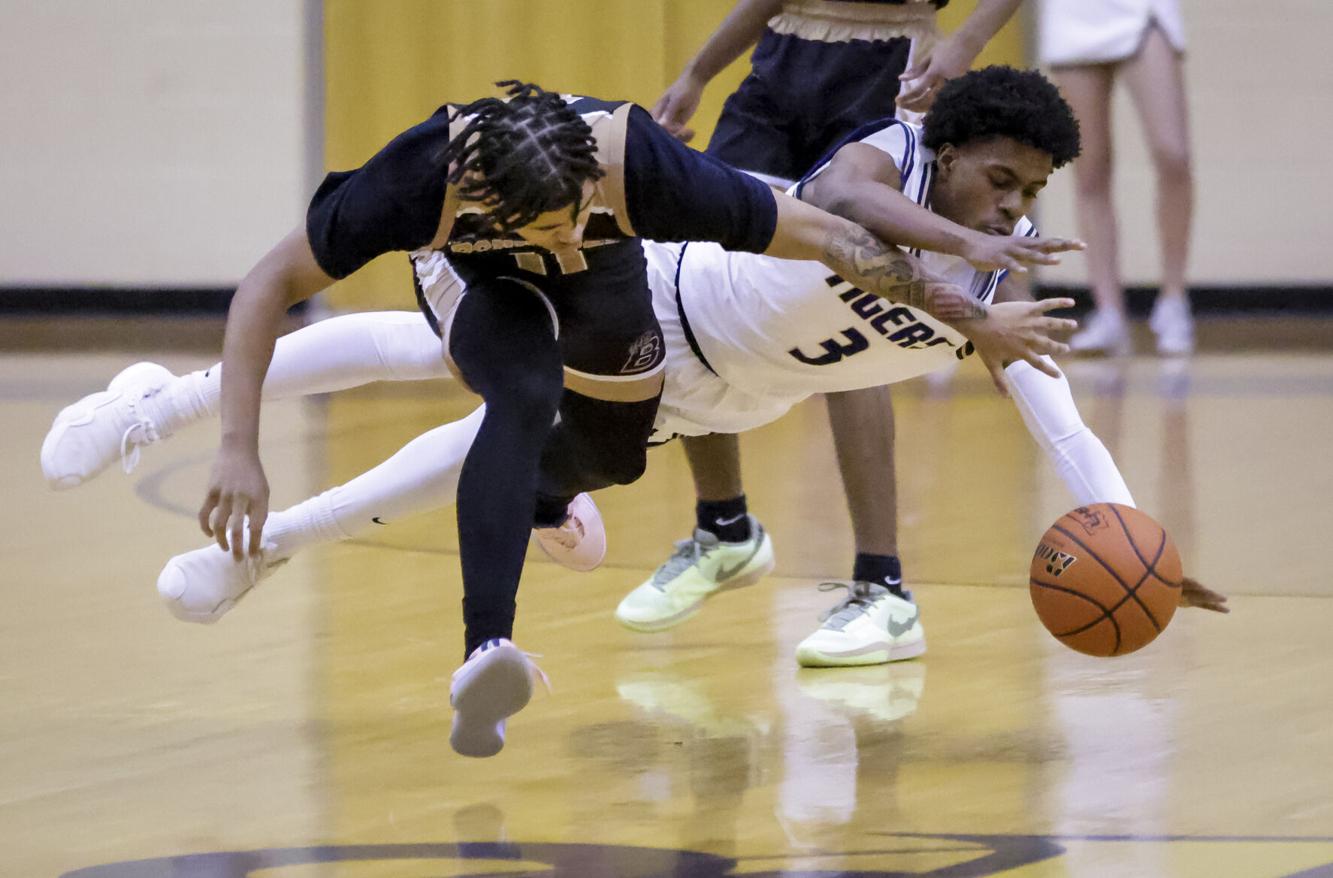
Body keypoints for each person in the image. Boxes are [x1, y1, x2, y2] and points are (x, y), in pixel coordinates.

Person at [41, 78, 1057, 757]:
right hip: (473, 270)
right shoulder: (415, 182)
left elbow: (831, 235)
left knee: (612, 452)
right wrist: (236, 447)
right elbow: (269, 284)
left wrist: (973, 316)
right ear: (478, 192)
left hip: (610, 275)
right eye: (550, 223)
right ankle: (473, 639)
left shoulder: (641, 165)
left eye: (578, 213)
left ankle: (537, 499)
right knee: (515, 387)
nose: (566, 234)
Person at [647, 0, 1027, 658]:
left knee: (853, 298)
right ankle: (724, 525)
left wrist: (966, 40)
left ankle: (882, 585)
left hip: (889, 68)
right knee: (699, 267)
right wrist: (698, 71)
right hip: (781, 65)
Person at [1039, 0, 1195, 356]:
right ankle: (1108, 310)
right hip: (1072, 15)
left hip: (1144, 13)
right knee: (1090, 171)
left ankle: (1174, 301)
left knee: (1174, 155)